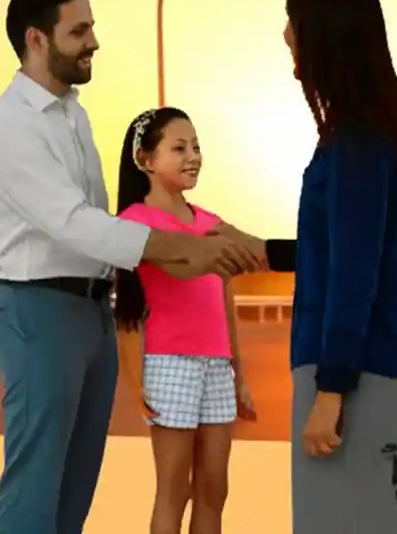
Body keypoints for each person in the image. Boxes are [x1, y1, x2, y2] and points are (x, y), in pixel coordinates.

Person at [0, 0, 260, 534]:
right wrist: (183, 249)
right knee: (35, 484)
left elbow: (105, 221)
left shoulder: (70, 114)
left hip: (90, 311)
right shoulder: (10, 128)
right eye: (79, 31)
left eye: (92, 28)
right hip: (40, 312)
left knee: (75, 484)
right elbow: (74, 224)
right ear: (37, 39)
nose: (94, 42)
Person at [283, 0, 397, 533]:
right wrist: (262, 250)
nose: (288, 37)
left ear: (323, 33)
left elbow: (353, 273)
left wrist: (331, 390)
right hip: (377, 367)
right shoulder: (381, 124)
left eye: (294, 23)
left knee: (334, 523)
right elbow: (350, 244)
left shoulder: (357, 141)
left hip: (353, 376)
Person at [110, 106, 257, 534]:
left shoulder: (211, 223)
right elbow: (128, 311)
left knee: (215, 489)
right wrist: (137, 384)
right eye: (179, 148)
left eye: (196, 146)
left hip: (216, 366)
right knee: (173, 489)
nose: (193, 156)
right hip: (168, 364)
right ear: (146, 159)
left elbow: (223, 302)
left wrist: (238, 373)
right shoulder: (134, 223)